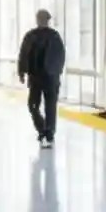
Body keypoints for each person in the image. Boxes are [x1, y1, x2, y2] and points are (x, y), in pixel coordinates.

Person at [18, 9, 65, 149]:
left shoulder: (54, 36)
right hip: (36, 78)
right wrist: (21, 71)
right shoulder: (31, 36)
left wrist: (57, 73)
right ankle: (43, 128)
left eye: (44, 18)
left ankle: (49, 133)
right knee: (33, 105)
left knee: (50, 106)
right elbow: (23, 54)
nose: (42, 20)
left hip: (50, 78)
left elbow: (60, 57)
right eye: (40, 18)